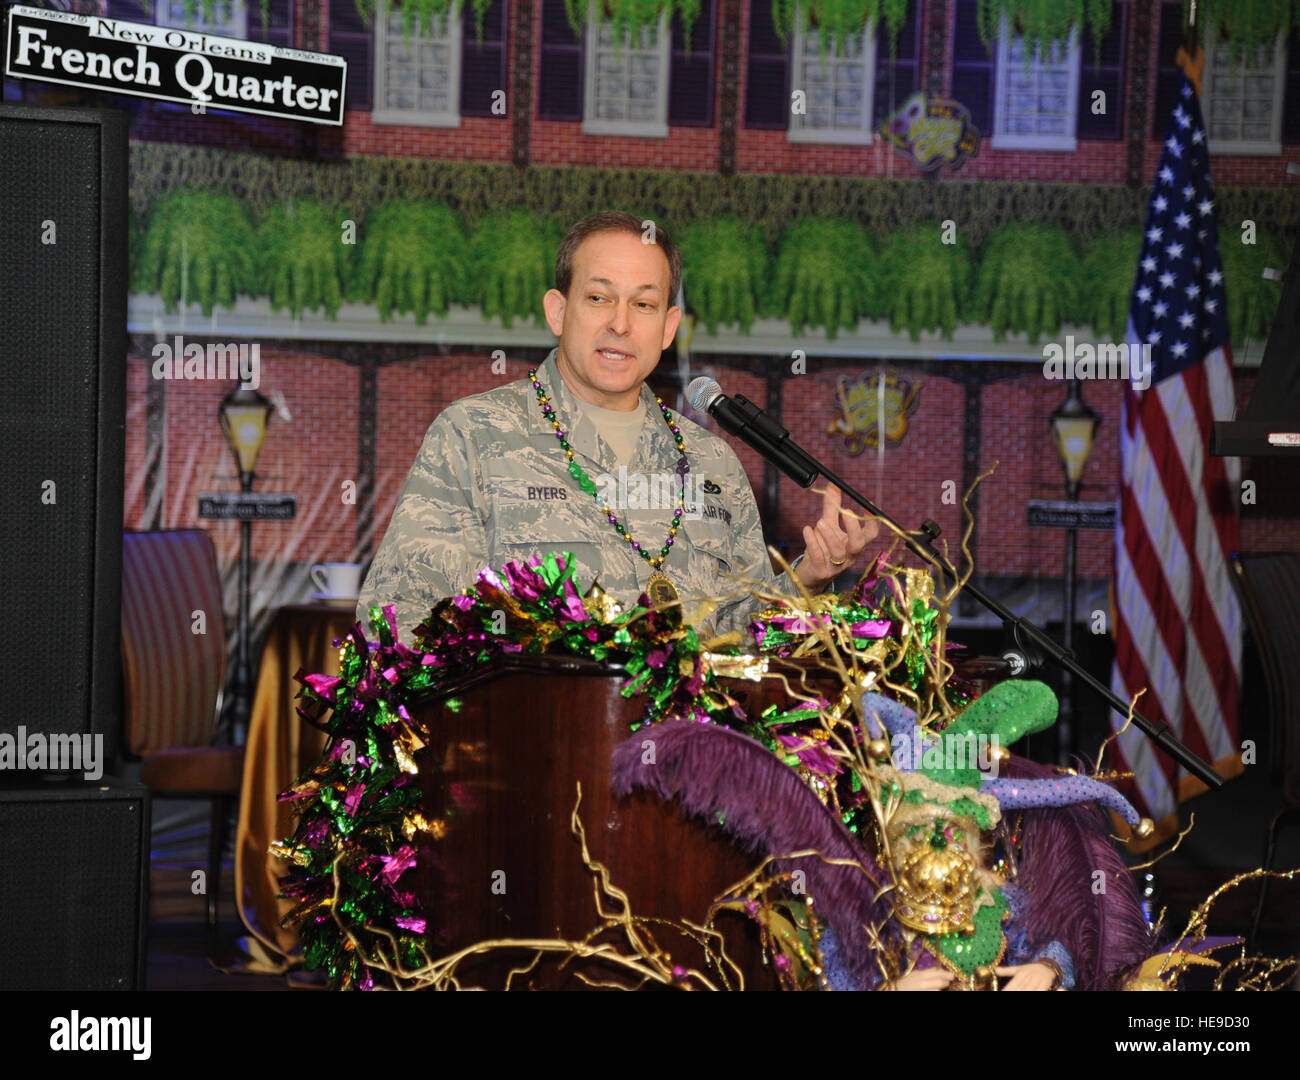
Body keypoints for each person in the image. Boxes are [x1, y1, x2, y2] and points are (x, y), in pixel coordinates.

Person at [357, 210, 879, 640]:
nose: (621, 324)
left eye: (644, 304)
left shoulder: (711, 461)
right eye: (599, 297)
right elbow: (397, 623)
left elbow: (742, 639)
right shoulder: (475, 435)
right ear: (558, 311)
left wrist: (809, 578)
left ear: (668, 327)